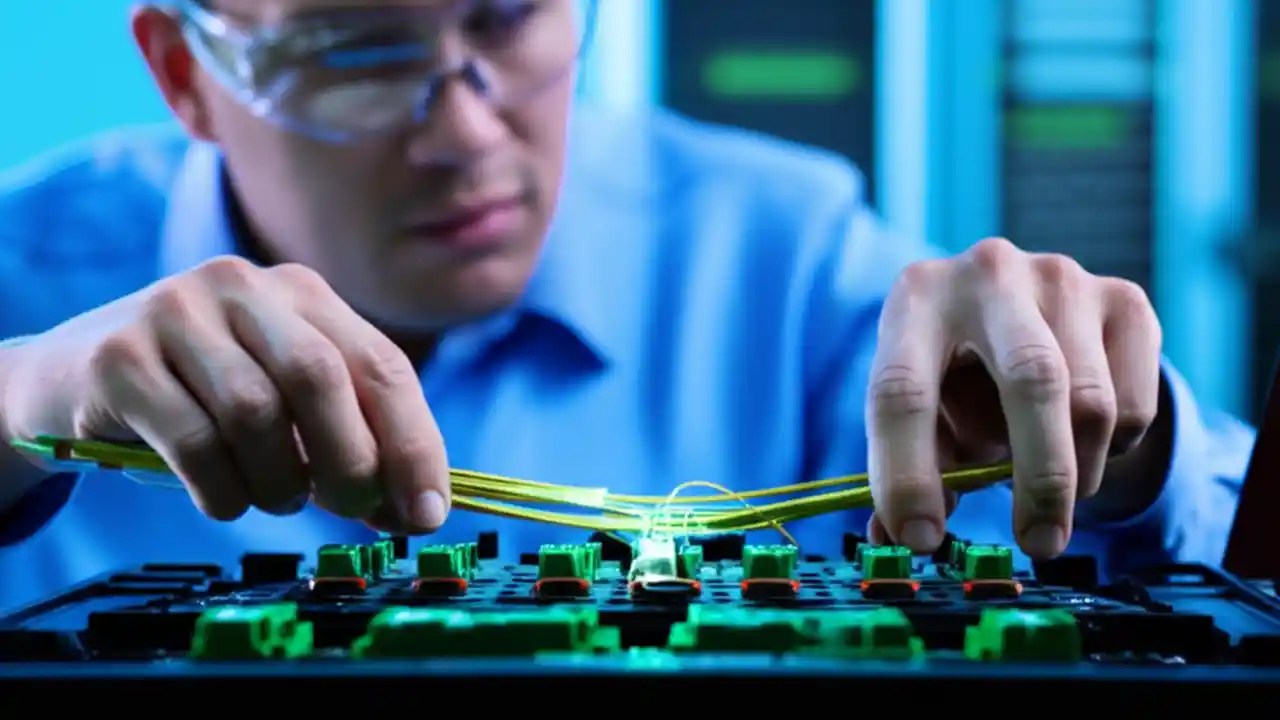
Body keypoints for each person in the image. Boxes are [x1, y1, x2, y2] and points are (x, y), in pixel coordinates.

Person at [0, 0, 1256, 613]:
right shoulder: (26, 283)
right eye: (360, 53)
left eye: (511, 17)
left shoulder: (780, 249)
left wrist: (1132, 450)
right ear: (185, 71)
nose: (469, 128)